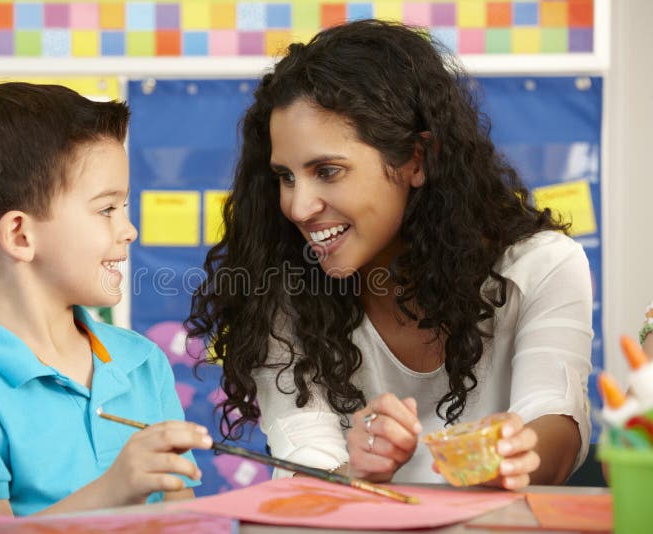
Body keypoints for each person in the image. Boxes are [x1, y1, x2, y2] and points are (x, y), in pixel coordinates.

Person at [187, 20, 593, 490]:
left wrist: (507, 457)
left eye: (328, 170)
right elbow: (306, 462)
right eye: (286, 175)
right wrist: (358, 473)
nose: (297, 206)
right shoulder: (282, 289)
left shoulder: (541, 266)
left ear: (416, 161)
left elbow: (555, 423)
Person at [0, 82, 212, 516]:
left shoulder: (143, 363)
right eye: (107, 209)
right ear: (20, 235)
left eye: (125, 207)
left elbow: (185, 518)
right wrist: (111, 490)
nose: (128, 230)